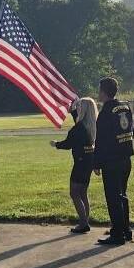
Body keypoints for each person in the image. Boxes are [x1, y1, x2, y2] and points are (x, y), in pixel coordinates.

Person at [92, 77, 134, 246]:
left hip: (112, 160)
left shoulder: (105, 112)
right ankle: (126, 230)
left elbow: (101, 140)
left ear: (103, 91)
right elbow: (131, 129)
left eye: (99, 90)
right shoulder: (125, 107)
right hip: (126, 157)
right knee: (122, 195)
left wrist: (96, 163)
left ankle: (117, 234)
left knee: (113, 198)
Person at [51, 97, 97, 234]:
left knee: (74, 193)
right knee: (83, 193)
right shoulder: (92, 125)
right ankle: (85, 221)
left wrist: (56, 144)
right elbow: (78, 119)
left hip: (80, 163)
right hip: (89, 161)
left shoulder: (79, 128)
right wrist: (73, 110)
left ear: (83, 110)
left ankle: (83, 223)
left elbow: (68, 143)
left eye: (80, 107)